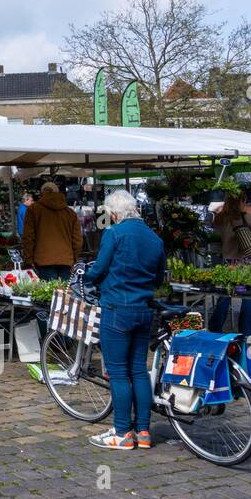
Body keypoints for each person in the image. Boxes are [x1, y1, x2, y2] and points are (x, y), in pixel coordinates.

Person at [84, 190, 167, 450]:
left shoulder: (114, 233)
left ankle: (121, 433)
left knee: (119, 373)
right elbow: (159, 278)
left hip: (117, 307)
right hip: (144, 309)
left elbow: (99, 268)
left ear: (114, 213)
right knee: (139, 371)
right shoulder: (154, 238)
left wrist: (88, 278)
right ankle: (143, 431)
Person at [209, 189, 251, 337]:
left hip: (228, 261)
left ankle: (215, 328)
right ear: (240, 202)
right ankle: (246, 330)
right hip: (245, 262)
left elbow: (217, 232)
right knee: (247, 297)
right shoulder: (246, 217)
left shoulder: (221, 218)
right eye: (244, 201)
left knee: (225, 296)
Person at [22, 182, 82, 281]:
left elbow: (28, 237)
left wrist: (29, 259)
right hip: (66, 260)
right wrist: (74, 259)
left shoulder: (33, 210)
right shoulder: (70, 213)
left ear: (41, 194)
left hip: (43, 259)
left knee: (48, 294)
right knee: (64, 294)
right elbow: (77, 240)